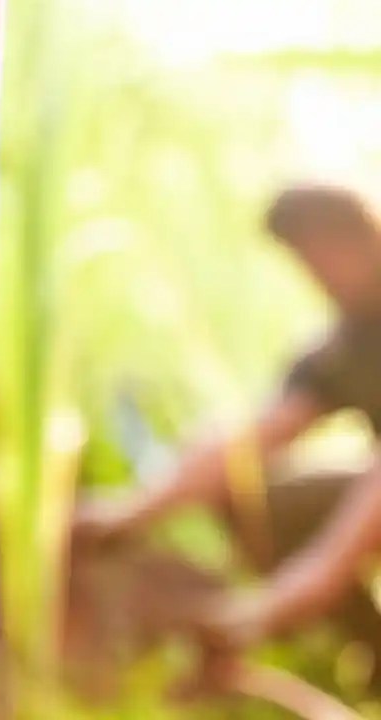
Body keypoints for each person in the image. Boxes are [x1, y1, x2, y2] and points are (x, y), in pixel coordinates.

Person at [73, 185, 381, 663]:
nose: (315, 275)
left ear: (357, 235)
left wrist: (289, 596)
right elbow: (250, 440)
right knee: (263, 498)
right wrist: (129, 512)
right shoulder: (348, 346)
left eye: (319, 254)